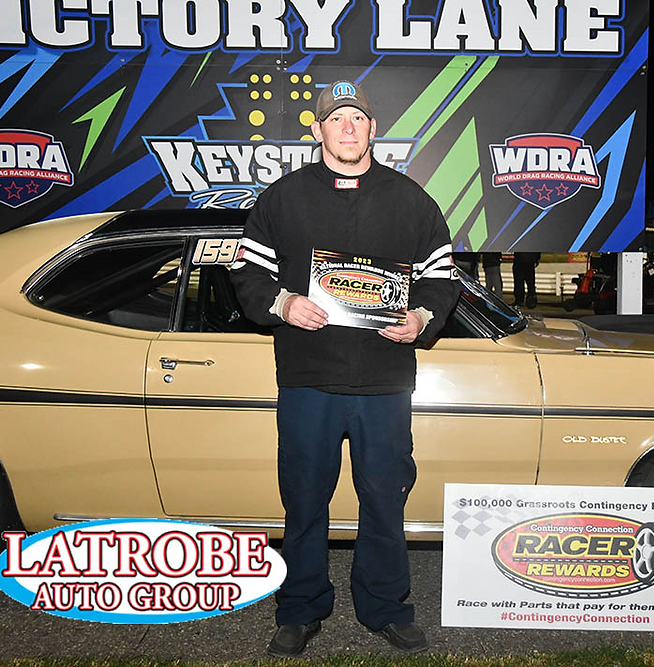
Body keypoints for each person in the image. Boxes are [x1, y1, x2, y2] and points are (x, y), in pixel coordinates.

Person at [230, 80, 460, 657]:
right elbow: (248, 276)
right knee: (304, 499)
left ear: (373, 130)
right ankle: (300, 608)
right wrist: (283, 304)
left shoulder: (413, 200)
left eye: (358, 117)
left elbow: (440, 276)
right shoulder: (280, 199)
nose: (348, 127)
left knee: (385, 497)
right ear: (319, 131)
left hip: (384, 382)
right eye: (337, 119)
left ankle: (385, 607)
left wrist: (422, 318)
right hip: (308, 378)